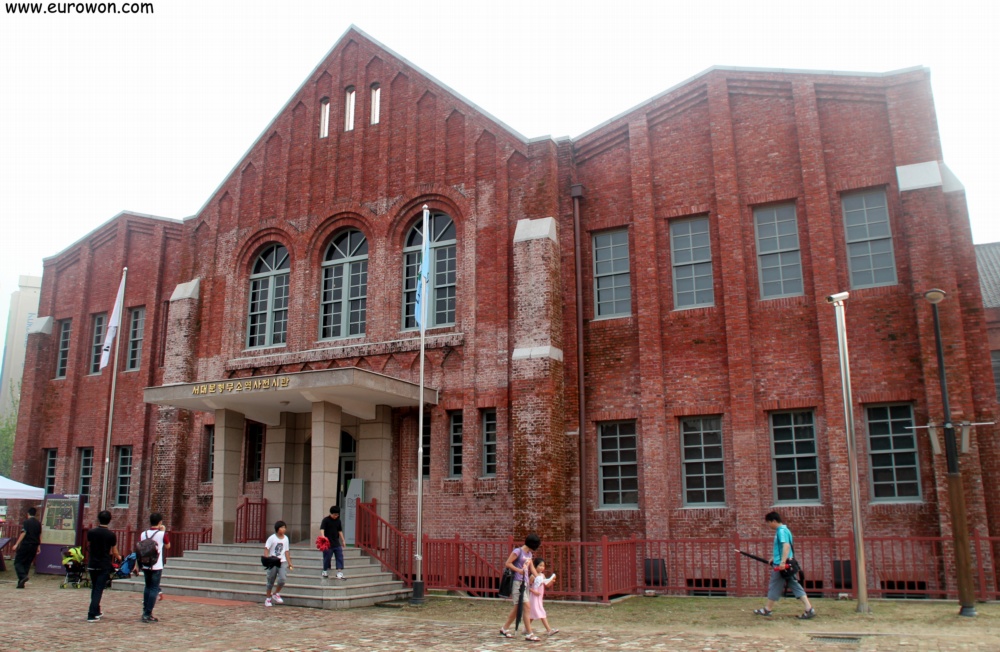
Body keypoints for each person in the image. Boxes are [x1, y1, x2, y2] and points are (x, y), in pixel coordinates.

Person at [751, 511, 816, 619]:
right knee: (794, 585)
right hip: (784, 563)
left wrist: (781, 562)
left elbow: (786, 546)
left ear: (774, 521)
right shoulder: (785, 530)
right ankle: (809, 608)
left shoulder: (781, 531)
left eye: (768, 522)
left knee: (774, 586)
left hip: (782, 566)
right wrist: (775, 558)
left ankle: (767, 609)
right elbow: (783, 548)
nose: (768, 525)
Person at [499, 532, 541, 641]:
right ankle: (529, 633)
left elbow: (531, 568)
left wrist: (539, 577)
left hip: (525, 582)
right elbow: (508, 563)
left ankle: (504, 628)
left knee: (518, 607)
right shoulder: (518, 552)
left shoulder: (529, 554)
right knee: (526, 606)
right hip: (517, 582)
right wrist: (519, 570)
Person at [86, 510, 120, 622]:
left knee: (95, 587)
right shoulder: (111, 535)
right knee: (98, 589)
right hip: (103, 564)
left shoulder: (91, 532)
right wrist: (120, 558)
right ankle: (91, 613)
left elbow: (90, 544)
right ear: (109, 520)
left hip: (92, 563)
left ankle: (96, 611)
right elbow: (114, 551)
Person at [139, 513, 170, 623]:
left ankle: (145, 611)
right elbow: (168, 546)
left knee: (147, 587)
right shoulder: (161, 534)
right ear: (160, 522)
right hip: (156, 565)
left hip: (145, 563)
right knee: (154, 588)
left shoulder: (144, 534)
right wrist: (163, 531)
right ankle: (148, 613)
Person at [263, 520, 294, 607]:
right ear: (277, 529)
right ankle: (268, 598)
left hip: (282, 561)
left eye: (284, 527)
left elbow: (286, 551)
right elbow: (266, 548)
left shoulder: (286, 538)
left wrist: (289, 562)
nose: (283, 529)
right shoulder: (272, 538)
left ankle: (276, 593)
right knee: (270, 580)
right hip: (273, 560)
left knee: (282, 579)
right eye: (282, 527)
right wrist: (267, 559)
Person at [527, 558, 559, 636]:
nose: (542, 567)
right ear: (535, 566)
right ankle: (549, 630)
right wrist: (534, 591)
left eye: (543, 566)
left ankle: (526, 628)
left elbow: (546, 584)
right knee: (541, 612)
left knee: (532, 614)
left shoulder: (542, 575)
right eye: (540, 565)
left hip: (539, 597)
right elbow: (528, 587)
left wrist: (551, 581)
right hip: (534, 597)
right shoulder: (533, 576)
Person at [12, 506, 42, 589]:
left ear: (27, 514)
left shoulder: (26, 522)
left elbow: (23, 533)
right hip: (34, 545)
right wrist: (39, 546)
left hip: (26, 545)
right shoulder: (38, 523)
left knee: (18, 562)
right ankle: (21, 582)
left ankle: (23, 576)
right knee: (27, 563)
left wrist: (17, 544)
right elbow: (39, 535)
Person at [320, 505, 346, 579]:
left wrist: (343, 540)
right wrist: (323, 537)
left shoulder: (338, 521)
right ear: (331, 513)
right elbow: (322, 529)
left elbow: (340, 531)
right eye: (334, 515)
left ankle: (339, 572)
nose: (336, 516)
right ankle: (325, 570)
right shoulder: (326, 520)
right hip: (327, 543)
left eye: (337, 515)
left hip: (336, 542)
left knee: (339, 556)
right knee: (327, 557)